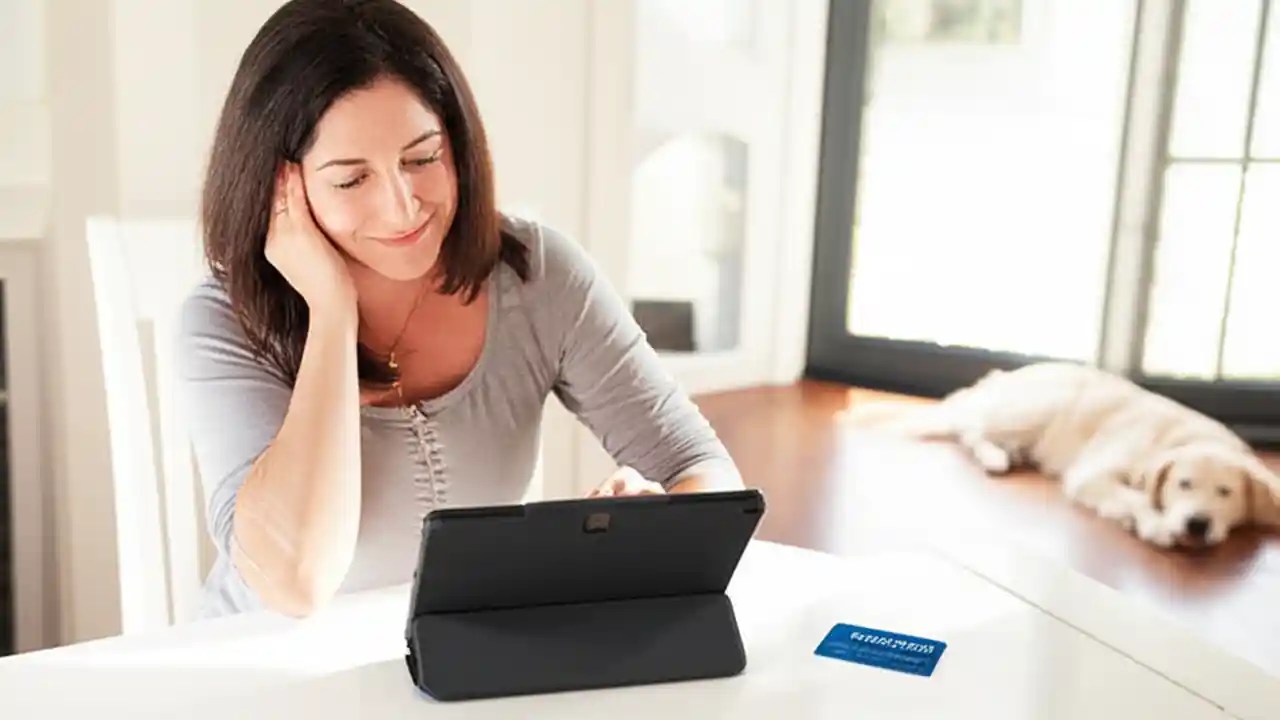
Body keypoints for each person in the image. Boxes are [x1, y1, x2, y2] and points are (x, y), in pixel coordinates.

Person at [179, 0, 743, 620]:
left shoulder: (536, 275)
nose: (403, 207)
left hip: (462, 658)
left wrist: (655, 527)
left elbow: (701, 468)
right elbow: (295, 584)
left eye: (422, 158)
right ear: (278, 187)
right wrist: (333, 315)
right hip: (260, 666)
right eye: (351, 180)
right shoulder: (224, 322)